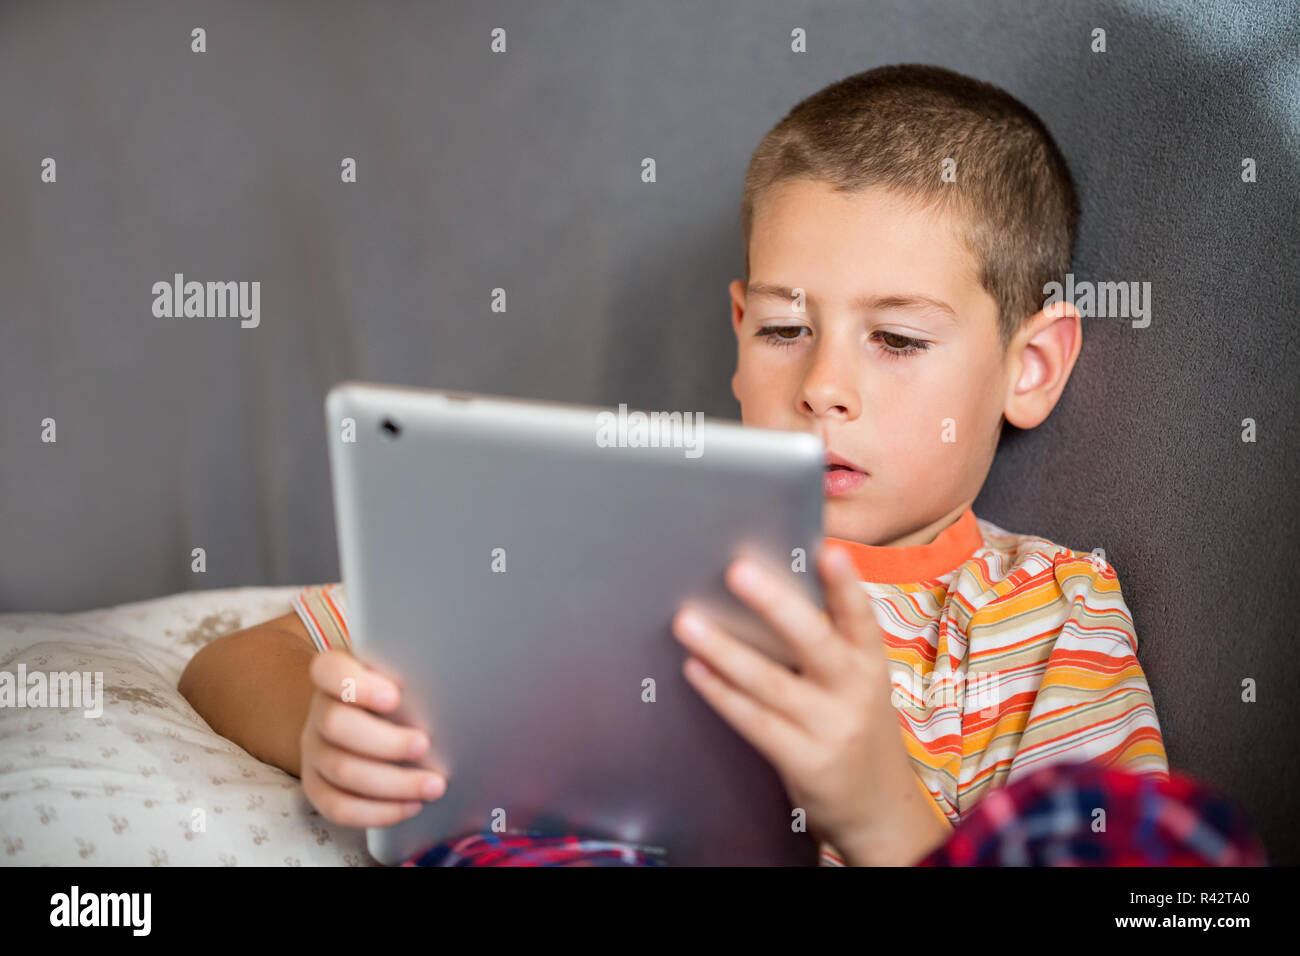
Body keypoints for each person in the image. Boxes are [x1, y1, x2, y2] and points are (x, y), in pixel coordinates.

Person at [180, 64, 1178, 866]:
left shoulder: (1050, 610)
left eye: (899, 340)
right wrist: (333, 730)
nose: (825, 384)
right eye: (787, 328)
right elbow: (233, 660)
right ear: (739, 334)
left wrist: (884, 815)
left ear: (1030, 365)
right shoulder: (606, 532)